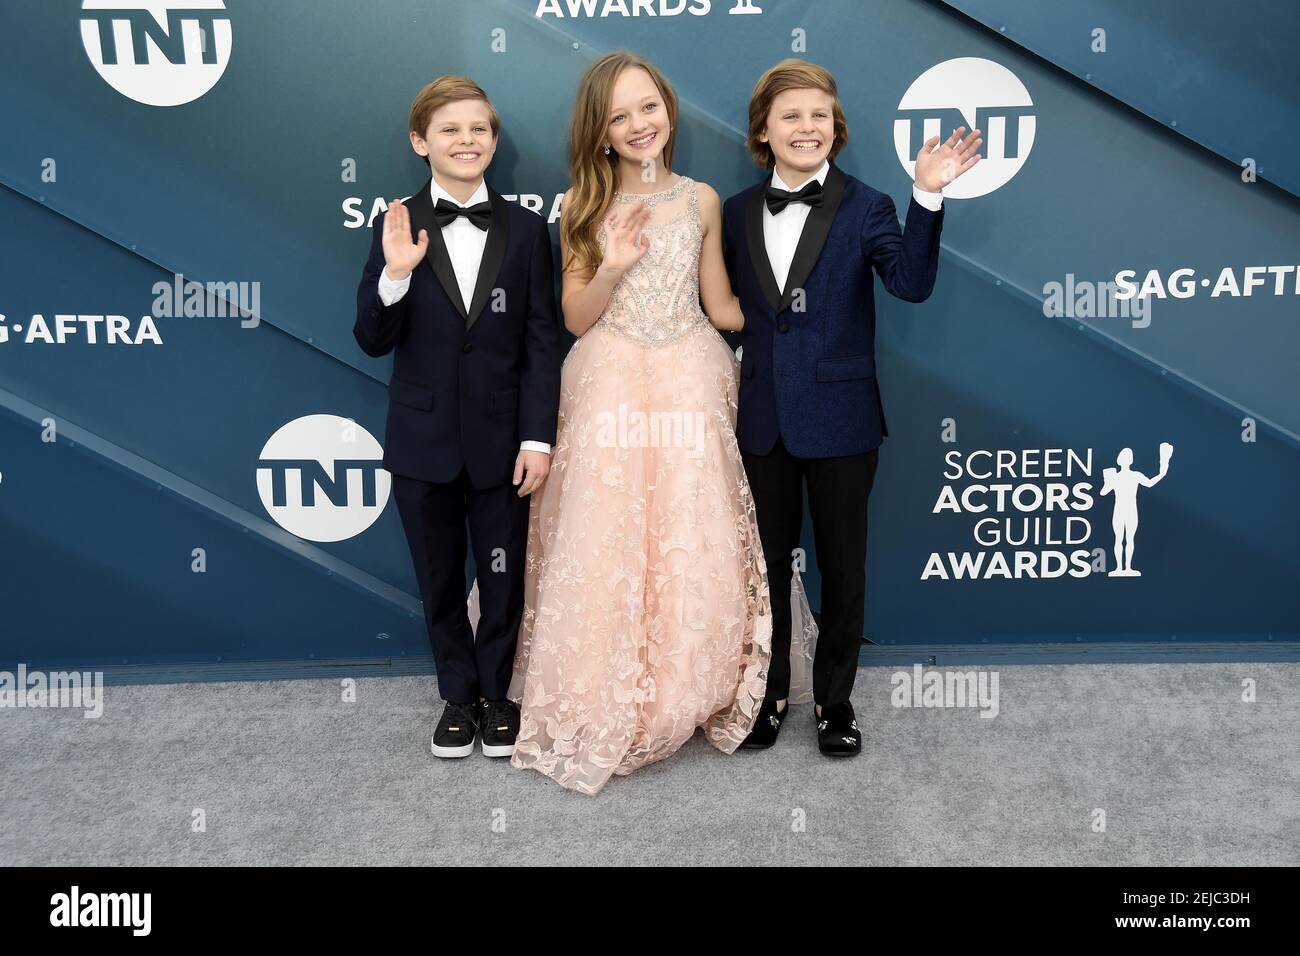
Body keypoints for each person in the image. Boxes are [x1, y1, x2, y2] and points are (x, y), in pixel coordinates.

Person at [507, 52, 793, 795]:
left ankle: (684, 685)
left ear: (669, 108)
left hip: (694, 377)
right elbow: (574, 317)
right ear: (600, 133)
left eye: (649, 107)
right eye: (620, 115)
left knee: (689, 536)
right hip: (609, 382)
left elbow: (721, 305)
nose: (639, 125)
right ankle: (610, 687)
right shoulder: (580, 204)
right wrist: (613, 263)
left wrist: (795, 313)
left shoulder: (701, 199)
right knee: (608, 538)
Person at [722, 59, 982, 755]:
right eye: (790, 116)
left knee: (843, 568)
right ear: (764, 131)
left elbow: (912, 284)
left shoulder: (868, 205)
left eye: (818, 115)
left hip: (842, 418)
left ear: (835, 128)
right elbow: (728, 311)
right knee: (766, 568)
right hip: (763, 418)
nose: (806, 127)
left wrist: (926, 197)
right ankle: (769, 696)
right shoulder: (736, 211)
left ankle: (835, 703)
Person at [353, 76, 561, 760]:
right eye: (450, 129)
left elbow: (540, 341)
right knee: (439, 577)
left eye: (479, 129)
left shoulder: (529, 230)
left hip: (505, 442)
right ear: (420, 142)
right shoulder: (398, 224)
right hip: (423, 440)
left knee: (503, 579)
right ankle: (457, 697)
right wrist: (396, 275)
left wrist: (537, 437)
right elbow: (371, 337)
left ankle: (500, 697)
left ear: (494, 141)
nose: (466, 141)